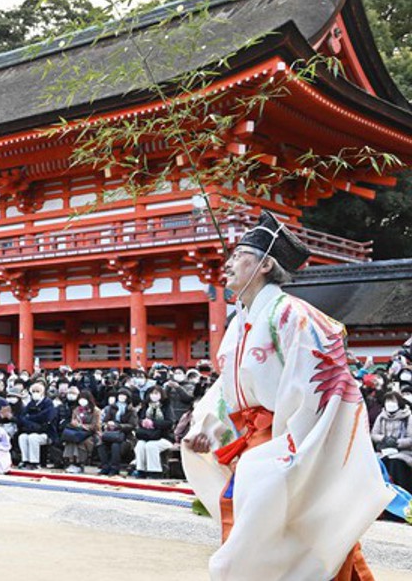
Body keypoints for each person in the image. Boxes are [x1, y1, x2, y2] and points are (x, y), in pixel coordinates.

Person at [182, 212, 392, 580]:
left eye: (239, 255)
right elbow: (227, 390)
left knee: (295, 534)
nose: (228, 263)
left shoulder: (295, 315)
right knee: (282, 534)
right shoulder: (238, 324)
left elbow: (318, 386)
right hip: (254, 443)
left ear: (265, 265)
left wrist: (291, 448)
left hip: (287, 440)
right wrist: (210, 429)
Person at [373, 391, 412, 493]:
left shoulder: (408, 417)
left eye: (393, 401)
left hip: (403, 452)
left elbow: (410, 438)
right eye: (387, 401)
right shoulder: (381, 417)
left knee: (396, 464)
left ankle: (402, 492)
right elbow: (374, 434)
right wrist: (384, 439)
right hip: (384, 450)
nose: (390, 404)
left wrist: (396, 442)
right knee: (379, 463)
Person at [133, 386, 175, 478]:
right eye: (152, 393)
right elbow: (139, 419)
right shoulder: (146, 406)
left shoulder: (166, 406)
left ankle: (155, 471)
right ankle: (141, 470)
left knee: (151, 446)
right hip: (147, 435)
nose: (153, 396)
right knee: (140, 445)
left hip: (164, 436)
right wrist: (143, 422)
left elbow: (170, 423)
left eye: (156, 393)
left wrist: (154, 423)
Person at [97, 388, 138, 476]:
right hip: (111, 433)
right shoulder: (112, 408)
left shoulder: (131, 410)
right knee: (100, 444)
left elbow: (132, 425)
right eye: (120, 395)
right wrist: (107, 425)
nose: (121, 397)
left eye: (124, 396)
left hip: (125, 436)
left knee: (116, 446)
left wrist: (118, 426)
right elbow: (104, 421)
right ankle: (105, 467)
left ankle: (114, 468)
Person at [16, 381, 56, 470]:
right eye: (33, 391)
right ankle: (25, 460)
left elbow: (45, 417)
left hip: (46, 432)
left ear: (42, 392)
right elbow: (22, 417)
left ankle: (35, 462)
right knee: (22, 437)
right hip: (32, 429)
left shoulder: (48, 403)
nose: (35, 393)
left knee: (33, 438)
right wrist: (31, 420)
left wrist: (30, 418)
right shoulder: (31, 404)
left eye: (37, 391)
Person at [62, 390, 100, 474]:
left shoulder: (95, 411)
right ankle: (71, 462)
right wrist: (74, 423)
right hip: (77, 432)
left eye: (84, 398)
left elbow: (96, 426)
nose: (81, 400)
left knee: (82, 442)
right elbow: (73, 421)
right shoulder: (76, 410)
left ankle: (79, 463)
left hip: (90, 434)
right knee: (71, 439)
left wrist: (82, 426)